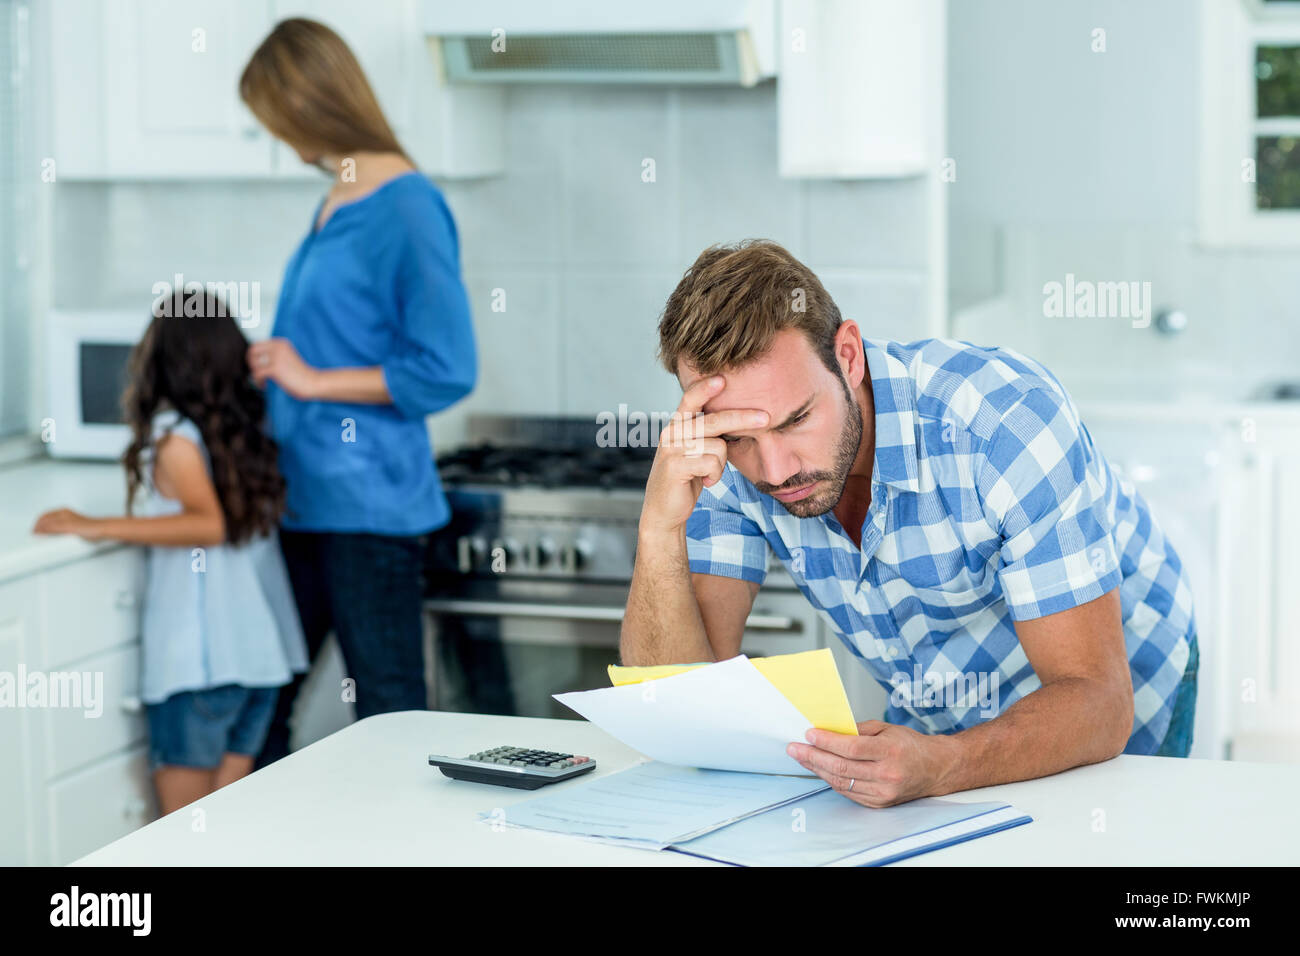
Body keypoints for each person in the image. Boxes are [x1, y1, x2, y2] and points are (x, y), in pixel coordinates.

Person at [621, 239, 1198, 808]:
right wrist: (657, 530)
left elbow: (1098, 701)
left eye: (796, 420)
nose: (774, 471)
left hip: (1113, 689)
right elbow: (681, 701)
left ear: (847, 355)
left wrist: (945, 764)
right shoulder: (720, 462)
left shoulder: (1004, 422)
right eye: (739, 437)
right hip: (938, 716)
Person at [238, 18, 477, 766]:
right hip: (301, 498)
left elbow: (446, 365)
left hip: (366, 509)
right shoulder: (337, 197)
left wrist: (310, 378)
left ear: (308, 106)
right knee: (260, 708)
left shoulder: (406, 207)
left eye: (278, 121)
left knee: (390, 720)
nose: (280, 140)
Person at [33, 290, 308, 814]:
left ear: (160, 356)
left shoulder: (174, 438)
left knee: (184, 840)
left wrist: (96, 525)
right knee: (223, 829)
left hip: (199, 670)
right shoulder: (241, 432)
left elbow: (208, 525)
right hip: (256, 664)